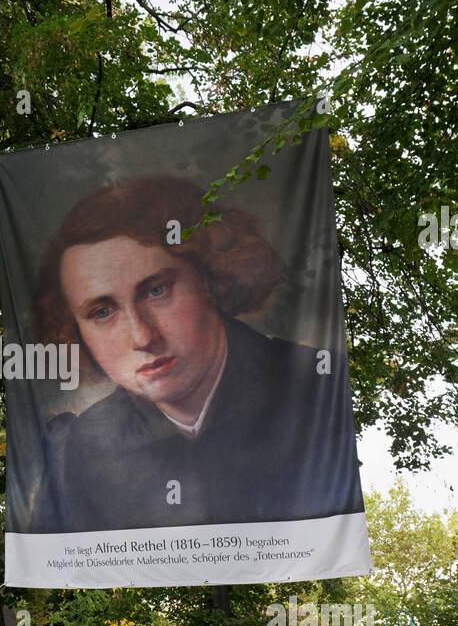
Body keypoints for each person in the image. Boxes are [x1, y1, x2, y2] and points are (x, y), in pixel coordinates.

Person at [21, 175, 363, 532]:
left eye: (156, 290)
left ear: (207, 278)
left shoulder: (318, 391)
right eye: (103, 312)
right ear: (77, 331)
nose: (141, 336)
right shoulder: (75, 454)